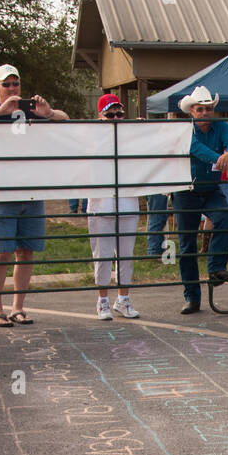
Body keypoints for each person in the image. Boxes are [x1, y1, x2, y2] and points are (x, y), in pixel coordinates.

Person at [0, 63, 67, 327]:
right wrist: (1, 109)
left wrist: (49, 112)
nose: (11, 88)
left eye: (15, 83)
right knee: (2, 252)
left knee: (26, 251)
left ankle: (18, 307)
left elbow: (65, 120)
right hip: (0, 192)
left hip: (31, 191)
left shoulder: (32, 110)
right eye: (6, 84)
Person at [172, 86, 228, 315]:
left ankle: (216, 269)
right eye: (200, 109)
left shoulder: (221, 126)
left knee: (224, 219)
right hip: (186, 189)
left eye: (208, 108)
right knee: (187, 246)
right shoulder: (185, 129)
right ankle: (192, 297)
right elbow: (196, 149)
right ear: (192, 111)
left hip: (210, 187)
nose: (204, 113)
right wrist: (225, 159)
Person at [87, 95, 141, 321]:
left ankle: (123, 299)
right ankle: (102, 301)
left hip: (128, 202)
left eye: (119, 114)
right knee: (103, 255)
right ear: (101, 116)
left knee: (126, 255)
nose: (116, 118)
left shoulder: (130, 138)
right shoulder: (93, 138)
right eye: (110, 115)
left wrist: (140, 130)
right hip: (101, 204)